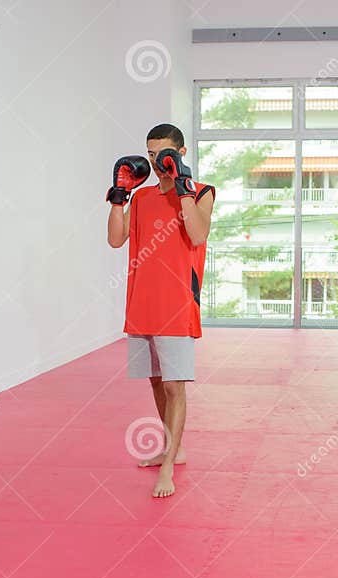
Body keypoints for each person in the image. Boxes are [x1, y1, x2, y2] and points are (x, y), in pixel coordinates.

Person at [106, 123, 215, 498]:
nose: (155, 162)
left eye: (163, 154)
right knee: (155, 381)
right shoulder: (143, 197)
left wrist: (182, 185)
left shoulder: (201, 192)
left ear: (181, 153)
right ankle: (174, 446)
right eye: (150, 154)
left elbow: (198, 235)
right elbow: (116, 239)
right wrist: (120, 196)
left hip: (177, 303)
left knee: (174, 385)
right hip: (142, 303)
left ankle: (168, 466)